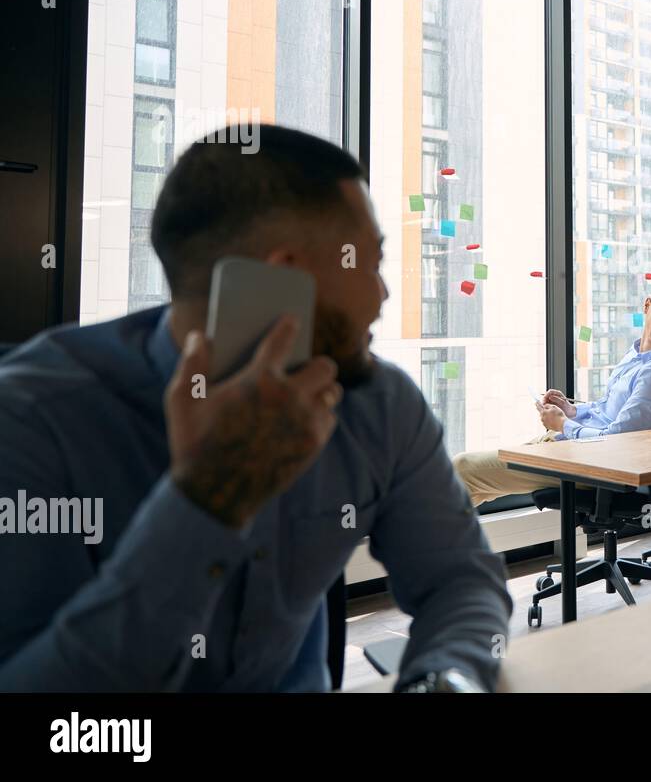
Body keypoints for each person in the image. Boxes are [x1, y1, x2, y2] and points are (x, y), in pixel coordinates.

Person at [0, 125, 511, 693]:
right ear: (284, 275)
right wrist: (206, 502)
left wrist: (445, 679)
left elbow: (460, 580)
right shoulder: (31, 419)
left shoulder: (378, 404)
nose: (383, 295)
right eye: (371, 264)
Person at [453, 278, 651, 507]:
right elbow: (607, 408)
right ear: (647, 306)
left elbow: (616, 439)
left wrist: (563, 424)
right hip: (574, 447)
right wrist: (572, 410)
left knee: (462, 469)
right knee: (470, 489)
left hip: (598, 465)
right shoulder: (639, 353)